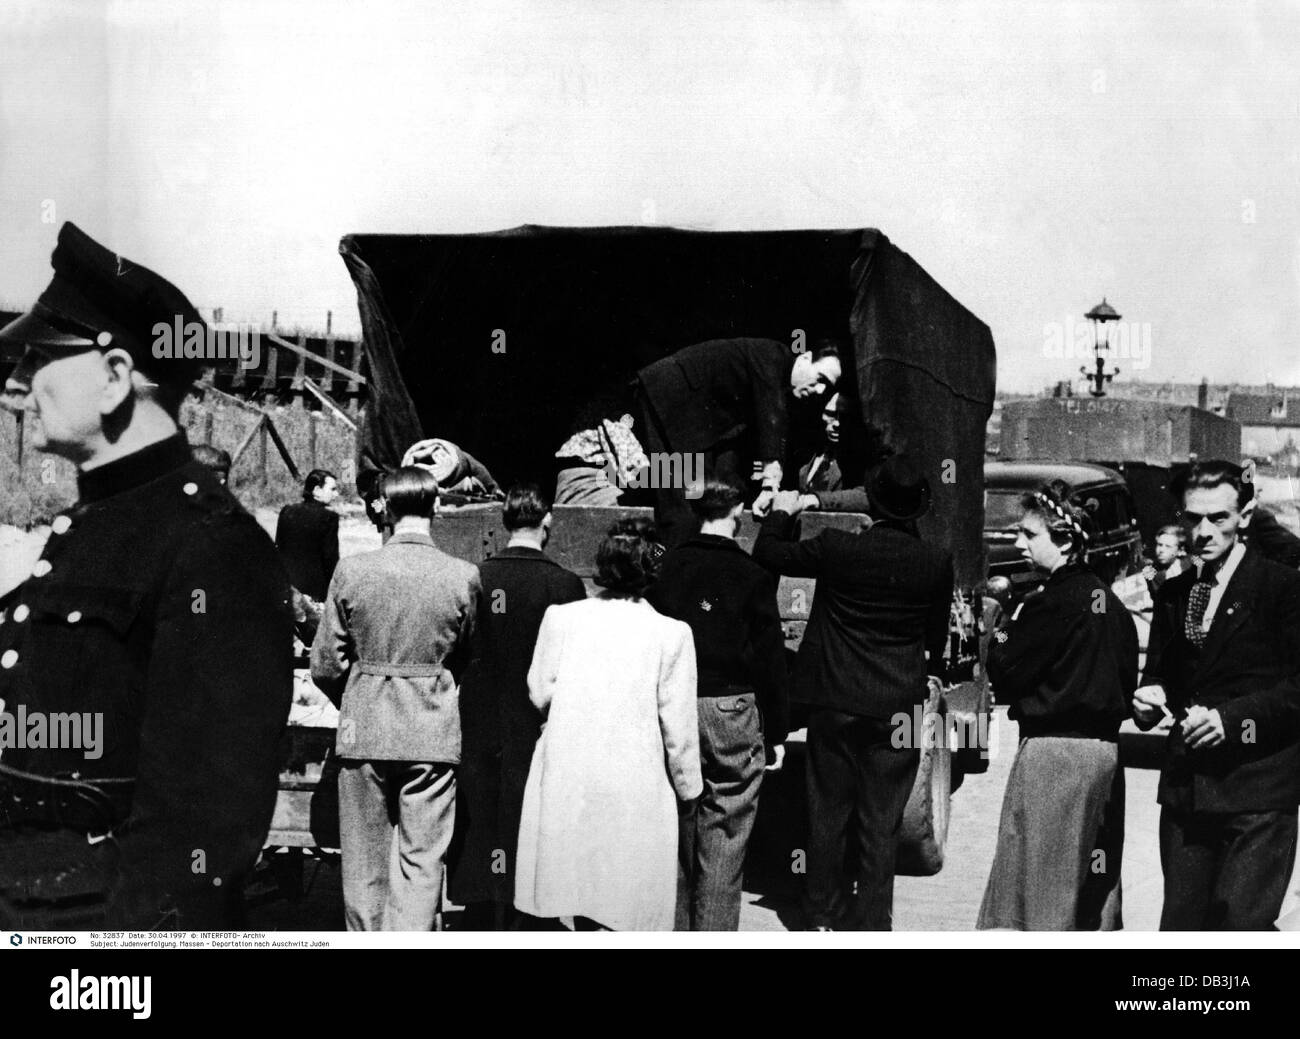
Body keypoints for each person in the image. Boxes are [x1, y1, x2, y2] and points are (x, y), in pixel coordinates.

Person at [0, 221, 293, 930]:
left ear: (113, 377)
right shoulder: (91, 525)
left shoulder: (213, 546)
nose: (14, 383)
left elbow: (201, 831)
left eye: (38, 355)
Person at [752, 455, 953, 930]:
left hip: (836, 701)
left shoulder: (838, 549)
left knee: (827, 814)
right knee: (881, 822)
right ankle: (873, 922)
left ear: (872, 502)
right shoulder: (934, 562)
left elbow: (769, 554)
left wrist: (784, 510)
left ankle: (821, 912)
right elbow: (934, 638)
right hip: (897, 707)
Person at [310, 466, 480, 930]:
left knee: (363, 864)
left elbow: (325, 663)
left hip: (364, 728)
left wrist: (358, 694)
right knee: (422, 861)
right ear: (437, 506)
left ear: (384, 507)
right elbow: (469, 654)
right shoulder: (463, 576)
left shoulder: (353, 570)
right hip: (431, 732)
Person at [1133, 460, 1300, 930]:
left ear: (1244, 517)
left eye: (1218, 518)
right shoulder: (1174, 593)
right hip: (1188, 794)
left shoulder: (1283, 588)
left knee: (1238, 930)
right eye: (1192, 518)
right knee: (1182, 930)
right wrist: (1149, 697)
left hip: (1258, 792)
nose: (1202, 532)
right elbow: (1160, 675)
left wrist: (1232, 719)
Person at [514, 519, 702, 930]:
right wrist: (689, 787)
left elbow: (539, 692)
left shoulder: (561, 618)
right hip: (634, 777)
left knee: (578, 886)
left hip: (569, 771)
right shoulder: (671, 633)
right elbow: (679, 726)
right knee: (623, 895)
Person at [977, 481, 1138, 930]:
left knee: (1040, 888)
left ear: (1065, 540)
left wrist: (1002, 621)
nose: (1018, 543)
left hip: (1054, 759)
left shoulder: (1050, 603)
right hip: (1105, 758)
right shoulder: (1113, 605)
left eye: (1030, 535)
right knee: (1091, 886)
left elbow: (1006, 669)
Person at [647, 478, 790, 930]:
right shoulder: (754, 575)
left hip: (673, 704)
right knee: (725, 833)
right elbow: (770, 662)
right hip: (731, 708)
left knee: (677, 825)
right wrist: (778, 731)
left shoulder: (666, 564)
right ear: (739, 515)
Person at [448, 483, 586, 929]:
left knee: (482, 802)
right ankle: (529, 903)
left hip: (481, 710)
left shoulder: (478, 577)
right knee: (532, 807)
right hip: (538, 715)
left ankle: (482, 902)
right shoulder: (564, 584)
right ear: (548, 521)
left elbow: (462, 646)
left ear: (505, 523)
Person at [634, 337, 843, 545]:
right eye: (821, 378)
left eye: (828, 386)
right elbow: (772, 418)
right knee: (679, 503)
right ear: (805, 358)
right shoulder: (772, 358)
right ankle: (664, 564)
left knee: (708, 495)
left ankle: (686, 558)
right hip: (670, 398)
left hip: (697, 419)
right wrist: (770, 486)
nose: (820, 391)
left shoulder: (772, 379)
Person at [275, 468, 340, 645]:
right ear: (317, 491)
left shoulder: (286, 511)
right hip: (315, 591)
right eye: (332, 489)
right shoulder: (329, 517)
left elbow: (279, 548)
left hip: (287, 587)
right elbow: (330, 559)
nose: (336, 494)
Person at [794, 391, 869, 513]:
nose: (837, 424)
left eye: (844, 416)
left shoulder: (860, 462)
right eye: (831, 414)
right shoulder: (806, 453)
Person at [1143, 523, 1191, 593]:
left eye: (1168, 546)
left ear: (1179, 550)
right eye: (1160, 545)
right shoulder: (1151, 573)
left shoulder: (1191, 562)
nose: (1161, 550)